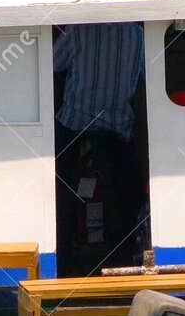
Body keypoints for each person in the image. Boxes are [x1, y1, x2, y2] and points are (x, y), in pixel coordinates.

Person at [52, 22, 146, 268]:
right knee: (125, 196)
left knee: (63, 194)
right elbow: (144, 74)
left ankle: (64, 253)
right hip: (118, 128)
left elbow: (53, 63)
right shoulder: (136, 34)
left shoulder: (78, 31)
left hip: (75, 125)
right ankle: (120, 254)